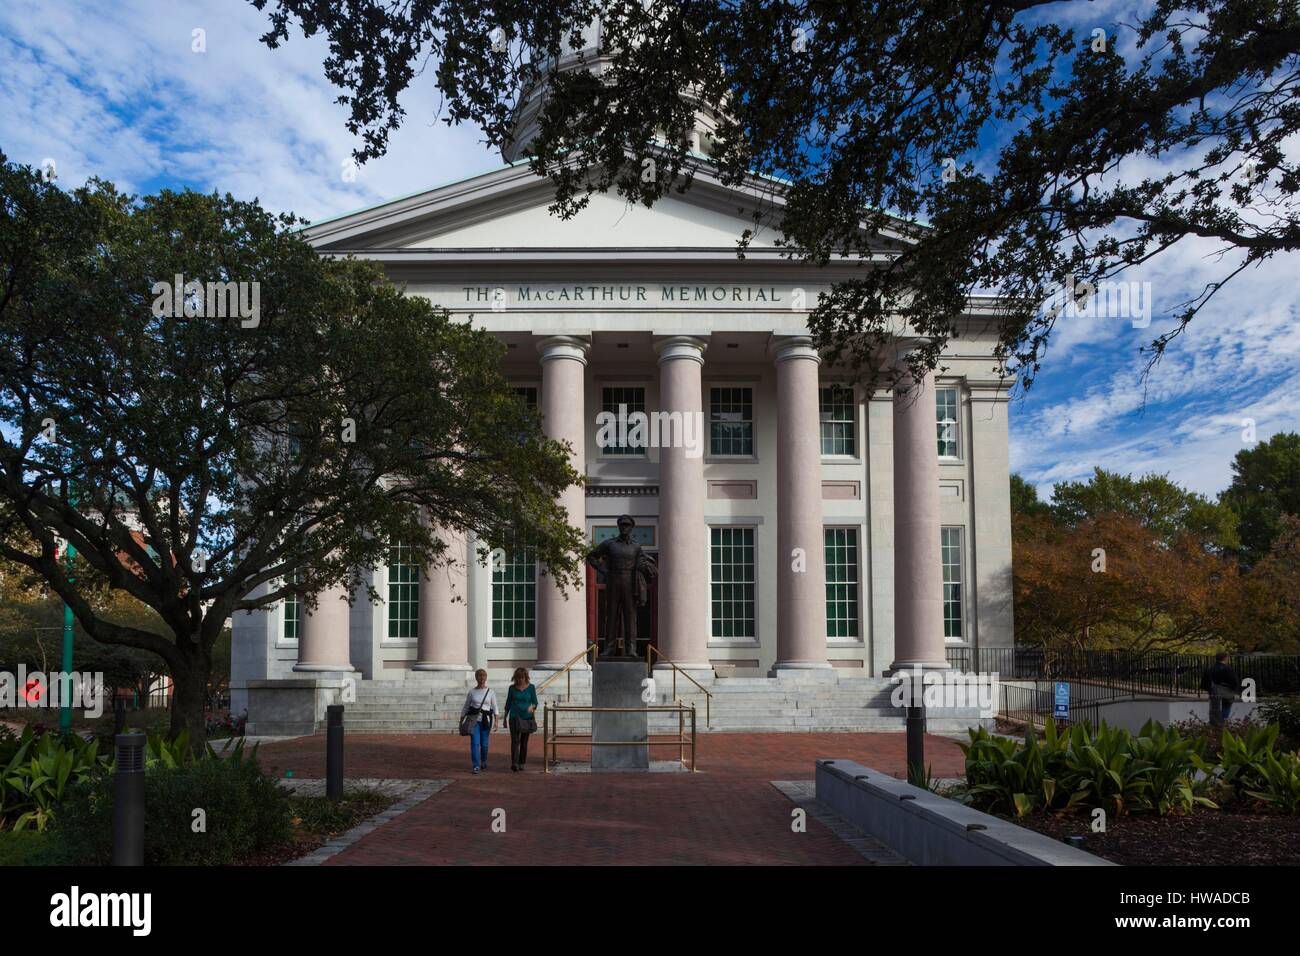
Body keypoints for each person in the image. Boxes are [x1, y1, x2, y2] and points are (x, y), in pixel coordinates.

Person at [461, 669, 497, 773]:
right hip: (474, 721)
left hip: (486, 720)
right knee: (475, 743)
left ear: (486, 678)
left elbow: (495, 707)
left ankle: (484, 760)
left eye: (483, 675)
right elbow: (466, 707)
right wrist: (461, 720)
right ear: (476, 678)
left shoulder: (490, 692)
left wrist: (496, 721)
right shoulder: (472, 692)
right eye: (479, 676)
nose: (481, 678)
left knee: (484, 744)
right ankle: (476, 765)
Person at [504, 666, 539, 772]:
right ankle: (514, 763)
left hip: (526, 718)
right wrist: (505, 718)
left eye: (522, 677)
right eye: (518, 678)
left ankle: (522, 762)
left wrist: (532, 707)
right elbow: (508, 703)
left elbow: (535, 702)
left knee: (524, 742)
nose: (520, 680)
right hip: (514, 717)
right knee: (515, 741)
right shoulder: (512, 688)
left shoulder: (531, 687)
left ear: (526, 677)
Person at [1201, 652, 1242, 727]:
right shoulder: (1227, 669)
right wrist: (1233, 690)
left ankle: (1214, 727)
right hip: (1226, 694)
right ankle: (1222, 726)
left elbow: (1204, 684)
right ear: (1225, 658)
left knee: (1214, 711)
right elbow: (1234, 682)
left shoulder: (1210, 669)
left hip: (1214, 694)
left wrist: (1210, 690)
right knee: (1225, 709)